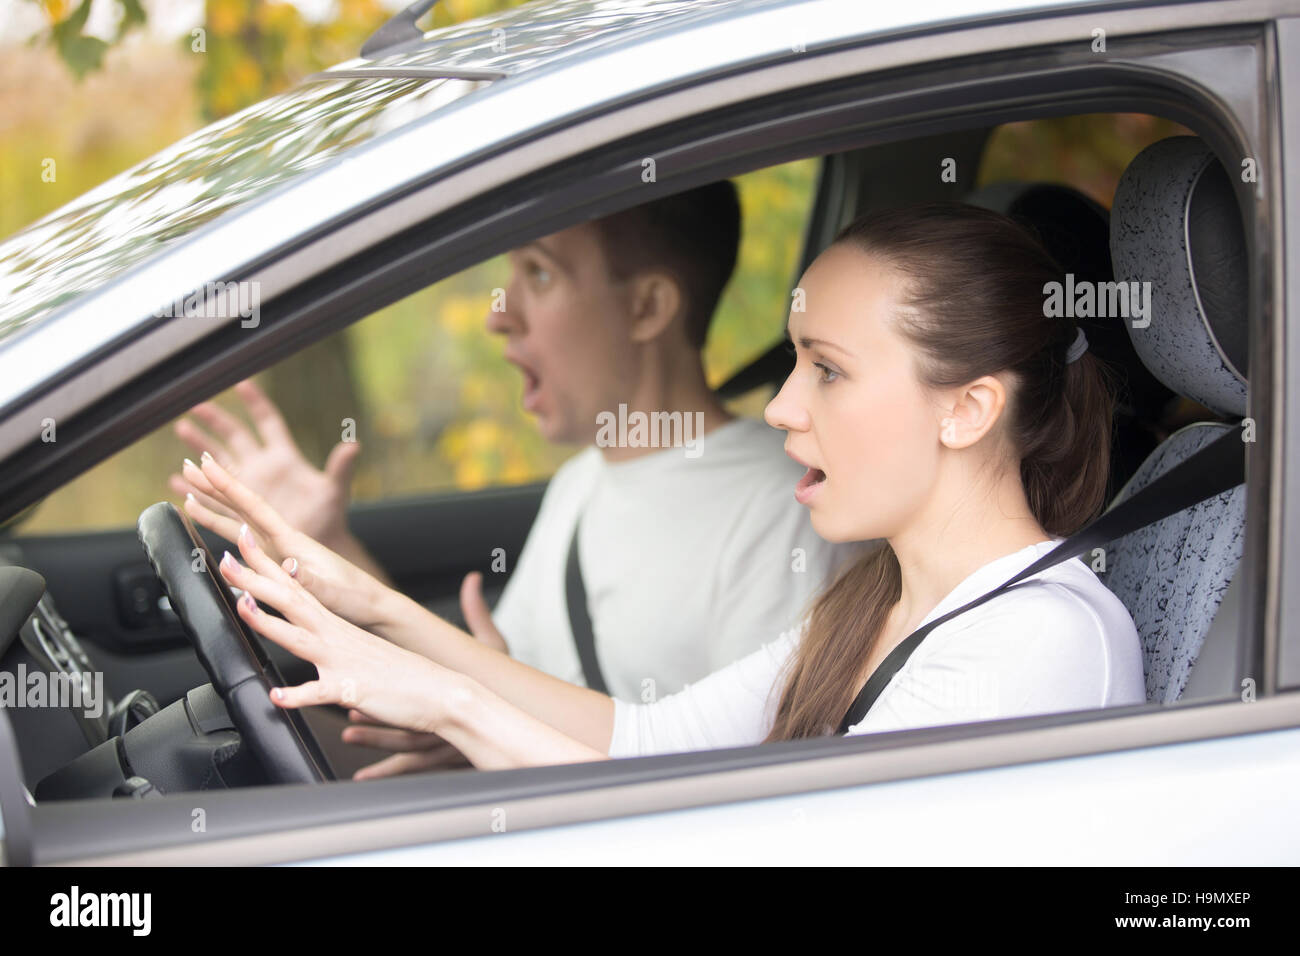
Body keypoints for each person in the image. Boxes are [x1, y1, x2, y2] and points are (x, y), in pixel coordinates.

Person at [178, 201, 1146, 772]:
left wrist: (450, 706)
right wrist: (368, 601)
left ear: (966, 409)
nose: (779, 407)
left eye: (828, 370)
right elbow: (639, 740)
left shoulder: (1035, 643)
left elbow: (750, 848)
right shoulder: (874, 605)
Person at [169, 181, 855, 710]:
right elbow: (496, 684)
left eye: (541, 274)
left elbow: (749, 791)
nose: (500, 313)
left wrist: (474, 722)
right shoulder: (582, 484)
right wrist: (327, 544)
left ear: (647, 307)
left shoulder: (784, 514)